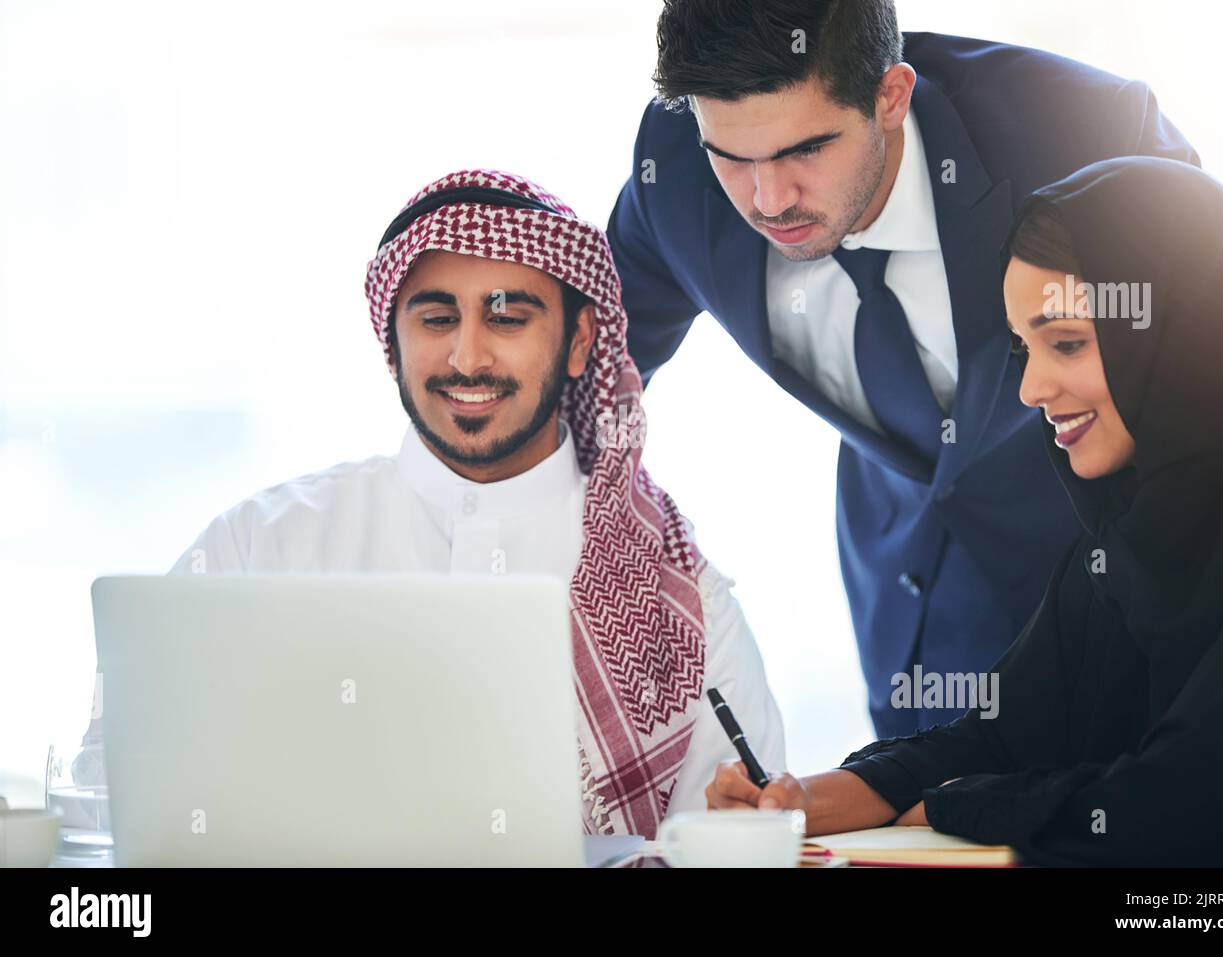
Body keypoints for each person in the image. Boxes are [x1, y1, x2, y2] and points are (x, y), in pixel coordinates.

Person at [608, 0, 1199, 737]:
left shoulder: (1091, 134)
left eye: (804, 149)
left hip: (1120, 623)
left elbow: (1222, 390)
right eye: (732, 157)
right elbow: (589, 370)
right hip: (907, 621)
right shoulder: (676, 176)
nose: (767, 200)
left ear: (890, 96)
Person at [706, 156, 1223, 866]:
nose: (1032, 388)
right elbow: (998, 732)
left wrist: (962, 804)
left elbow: (1197, 804)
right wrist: (801, 799)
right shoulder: (1127, 539)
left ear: (1187, 332)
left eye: (1068, 342)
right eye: (1024, 347)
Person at [168, 169, 786, 837]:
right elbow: (122, 799)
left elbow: (743, 838)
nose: (467, 356)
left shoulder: (682, 598)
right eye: (436, 318)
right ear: (392, 343)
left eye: (507, 317)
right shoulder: (258, 549)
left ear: (580, 343)